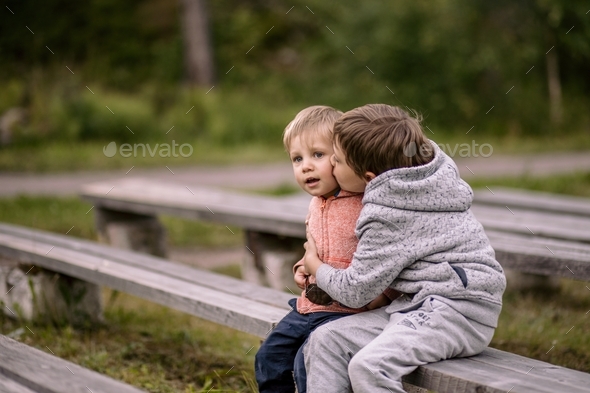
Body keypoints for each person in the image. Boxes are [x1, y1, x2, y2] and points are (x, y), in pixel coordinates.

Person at [303, 104, 507, 393]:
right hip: (415, 304)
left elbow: (355, 291)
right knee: (326, 340)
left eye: (337, 160)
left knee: (370, 367)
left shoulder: (388, 214)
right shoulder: (424, 173)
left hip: (460, 311)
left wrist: (316, 266)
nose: (331, 167)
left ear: (370, 177)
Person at [255, 105, 399, 393]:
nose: (306, 166)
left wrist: (384, 295)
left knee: (307, 363)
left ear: (343, 158)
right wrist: (302, 268)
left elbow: (389, 256)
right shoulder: (316, 204)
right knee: (270, 359)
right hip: (310, 307)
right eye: (297, 159)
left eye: (317, 155)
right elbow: (315, 250)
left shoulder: (366, 204)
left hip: (349, 313)